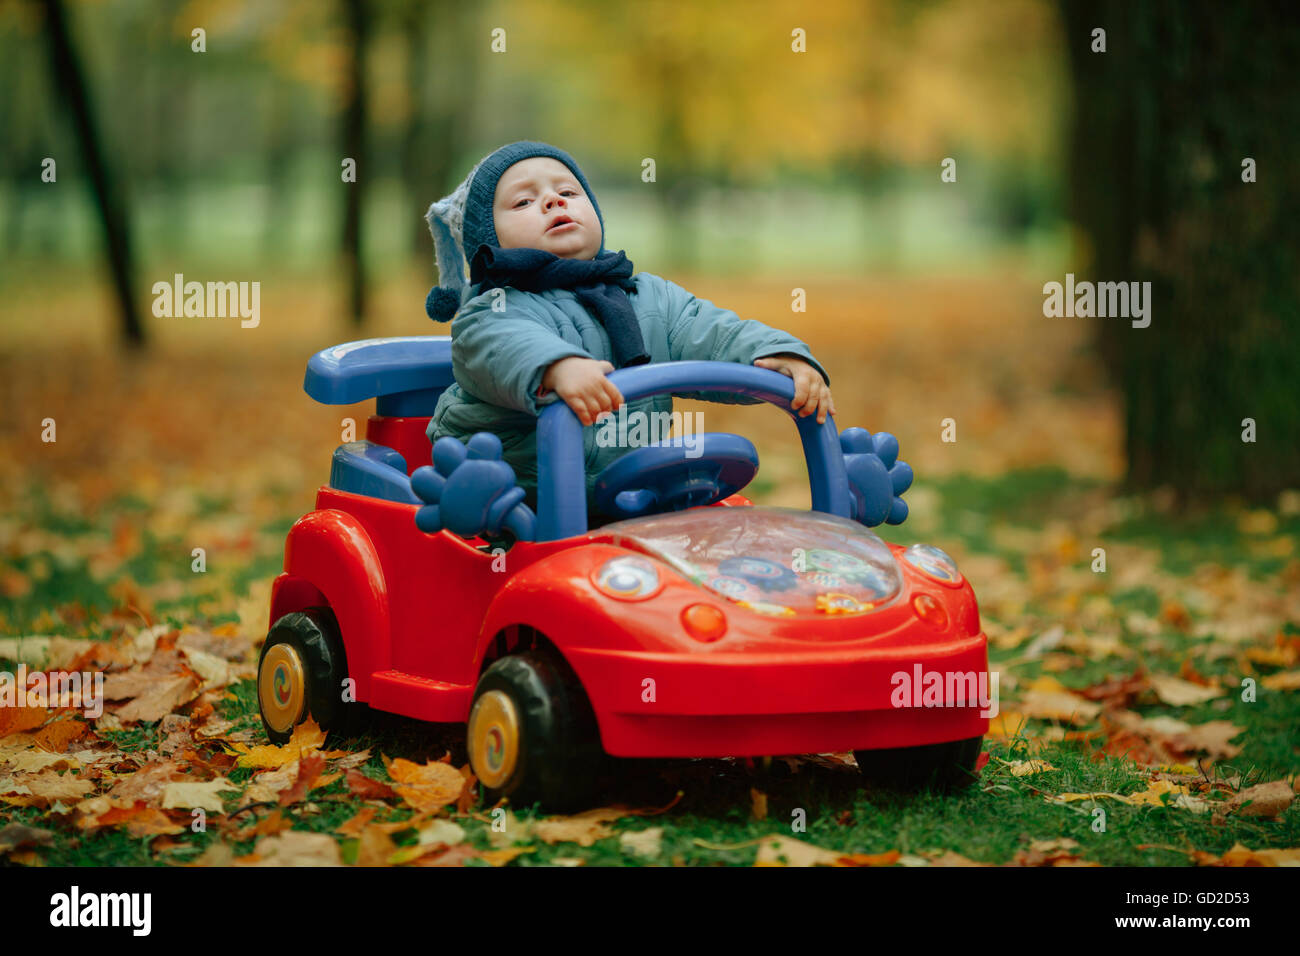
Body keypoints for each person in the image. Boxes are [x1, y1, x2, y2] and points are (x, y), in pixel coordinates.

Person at [423, 140, 835, 512]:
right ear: (487, 240)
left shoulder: (647, 297)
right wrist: (556, 366)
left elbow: (712, 331)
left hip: (634, 494)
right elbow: (505, 344)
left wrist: (779, 353)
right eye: (524, 202)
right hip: (520, 508)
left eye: (567, 192)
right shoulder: (491, 311)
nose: (552, 201)